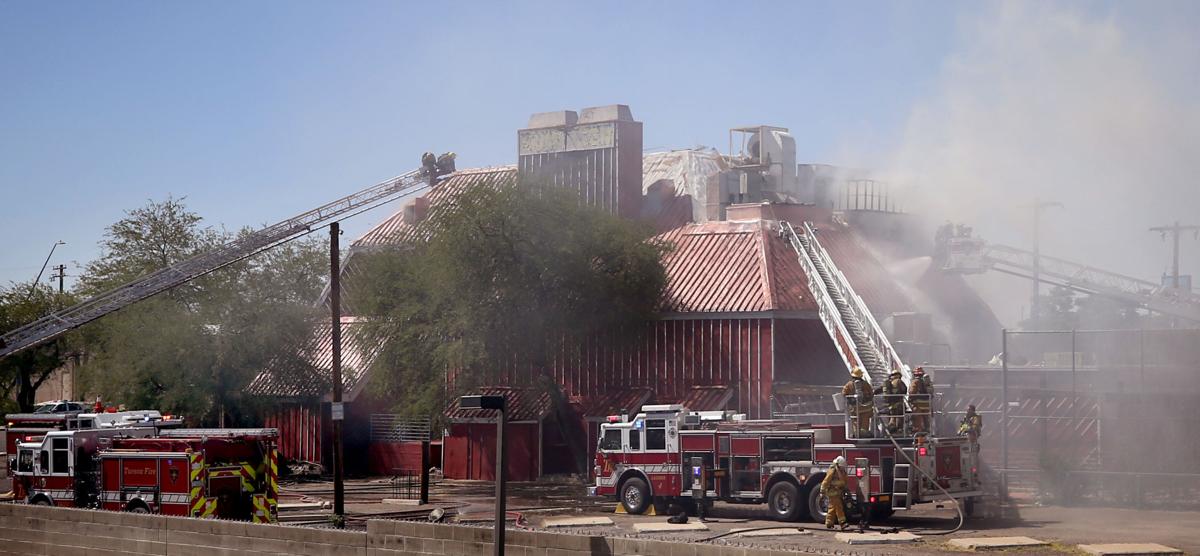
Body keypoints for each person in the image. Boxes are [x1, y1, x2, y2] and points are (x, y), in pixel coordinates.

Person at [842, 368, 874, 437]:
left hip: (854, 408)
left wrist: (851, 400)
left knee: (856, 421)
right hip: (866, 408)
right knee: (865, 421)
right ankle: (864, 433)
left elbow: (844, 393)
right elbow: (871, 393)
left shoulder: (849, 384)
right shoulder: (866, 384)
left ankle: (856, 433)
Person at [821, 456, 850, 530]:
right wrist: (822, 490)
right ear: (838, 465)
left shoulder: (842, 471)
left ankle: (829, 523)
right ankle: (843, 523)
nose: (842, 468)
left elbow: (844, 480)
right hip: (832, 491)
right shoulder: (833, 470)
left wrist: (846, 489)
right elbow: (826, 480)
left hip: (838, 491)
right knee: (838, 506)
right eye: (841, 467)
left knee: (832, 507)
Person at [874, 370, 907, 434]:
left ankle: (891, 430)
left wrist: (873, 394)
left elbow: (878, 390)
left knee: (892, 416)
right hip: (898, 403)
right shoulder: (899, 381)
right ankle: (897, 430)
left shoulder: (887, 383)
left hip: (889, 404)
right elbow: (904, 390)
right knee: (899, 417)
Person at [909, 367, 931, 434]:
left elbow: (912, 392)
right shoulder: (926, 382)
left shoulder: (915, 382)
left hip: (918, 404)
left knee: (917, 419)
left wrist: (910, 399)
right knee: (925, 419)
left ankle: (919, 433)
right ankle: (926, 431)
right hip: (926, 404)